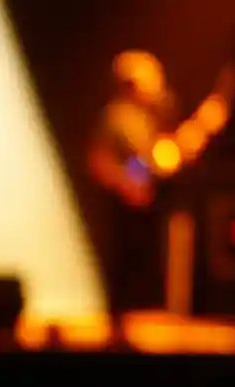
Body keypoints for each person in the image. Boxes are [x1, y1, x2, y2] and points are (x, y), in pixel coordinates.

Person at [88, 50, 178, 326]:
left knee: (143, 265)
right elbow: (108, 161)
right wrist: (129, 182)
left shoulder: (144, 118)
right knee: (125, 266)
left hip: (143, 203)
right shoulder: (118, 117)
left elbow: (144, 161)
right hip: (124, 206)